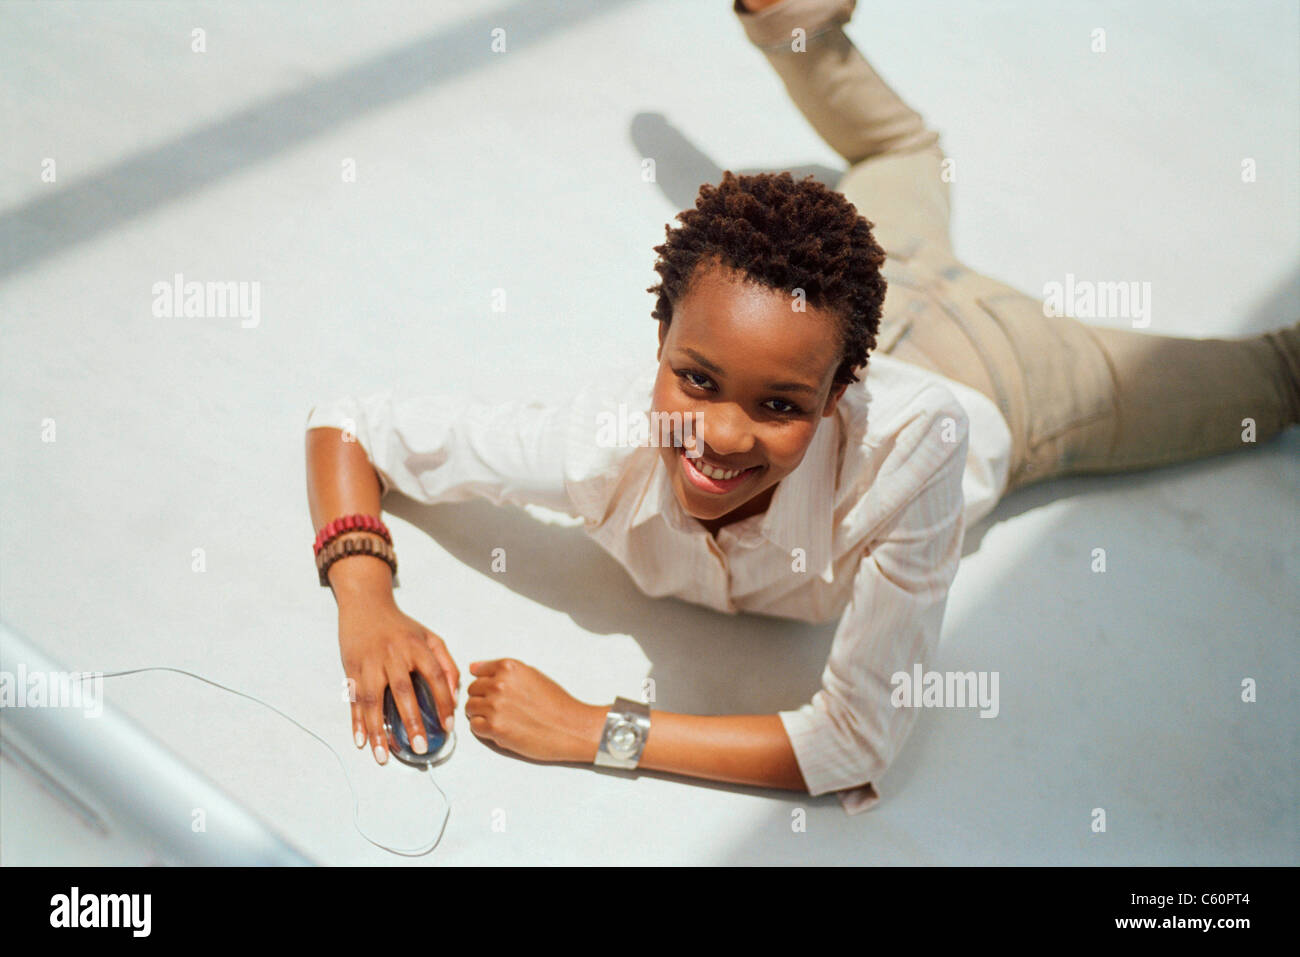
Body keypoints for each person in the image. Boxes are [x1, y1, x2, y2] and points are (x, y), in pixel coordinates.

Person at [303, 0, 1299, 814]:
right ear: (656, 347)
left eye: (778, 407)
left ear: (837, 400)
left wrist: (594, 732)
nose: (723, 435)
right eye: (694, 379)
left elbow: (854, 740)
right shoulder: (599, 441)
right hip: (866, 288)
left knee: (1273, 379)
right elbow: (348, 423)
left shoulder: (919, 450)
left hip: (1016, 377)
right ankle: (796, 27)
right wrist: (366, 600)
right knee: (908, 152)